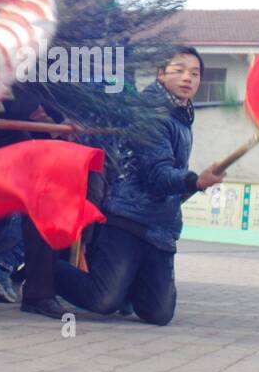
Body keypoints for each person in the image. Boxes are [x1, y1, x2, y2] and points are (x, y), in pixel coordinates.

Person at [52, 47, 224, 325]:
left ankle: (127, 285)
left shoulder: (182, 117)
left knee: (159, 314)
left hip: (161, 229)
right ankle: (42, 271)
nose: (187, 78)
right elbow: (156, 175)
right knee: (102, 300)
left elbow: (170, 180)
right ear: (160, 74)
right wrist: (195, 180)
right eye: (179, 70)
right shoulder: (151, 114)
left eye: (194, 73)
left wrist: (193, 184)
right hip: (128, 220)